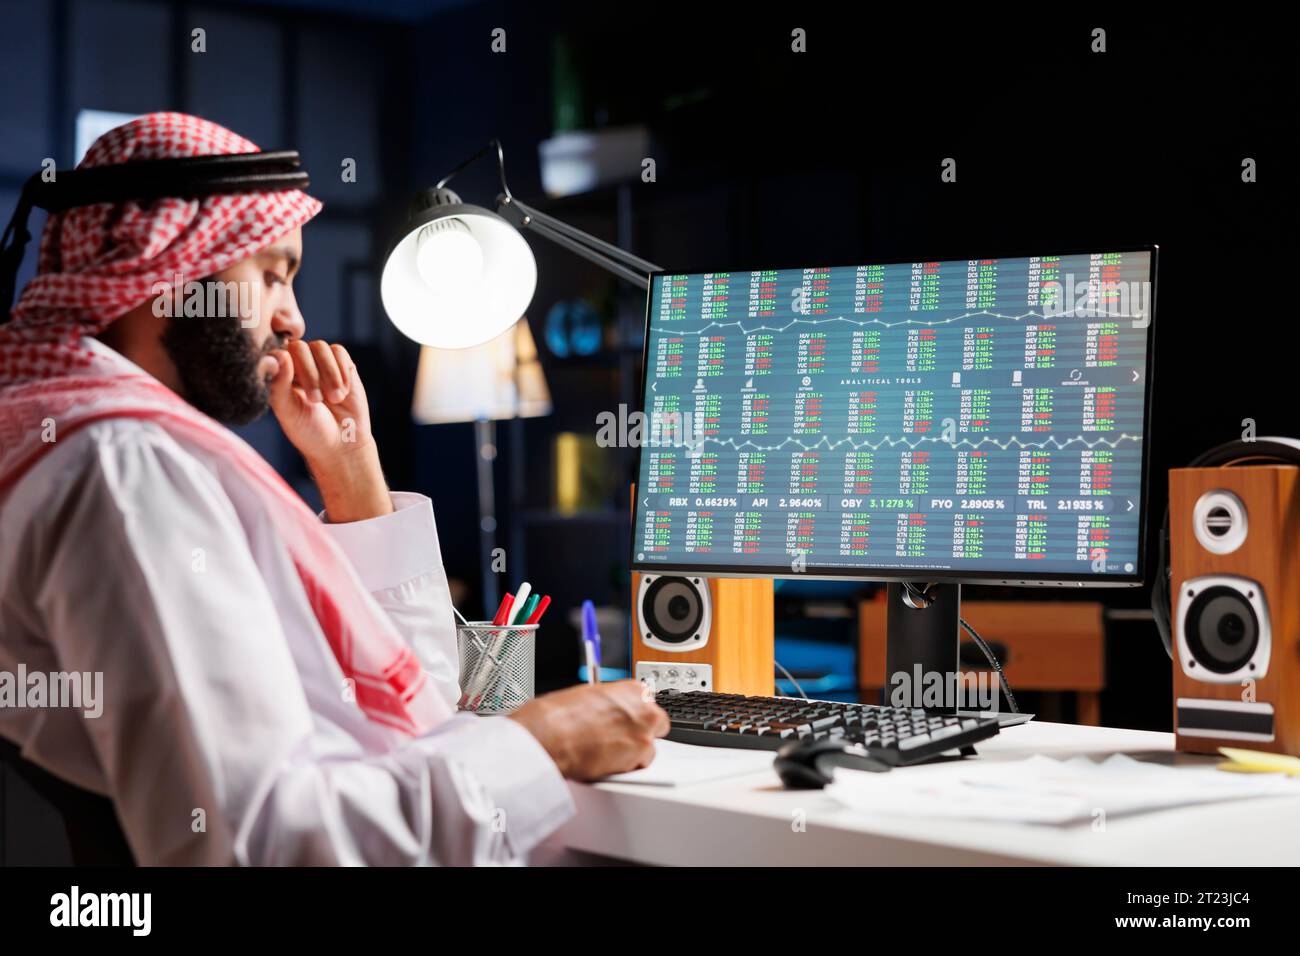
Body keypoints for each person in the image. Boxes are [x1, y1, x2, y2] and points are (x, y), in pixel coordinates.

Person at [0, 112, 668, 866]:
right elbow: (261, 844)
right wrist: (539, 744)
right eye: (271, 274)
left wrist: (353, 476)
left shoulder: (70, 439)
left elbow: (389, 719)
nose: (294, 317)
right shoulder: (124, 467)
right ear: (166, 271)